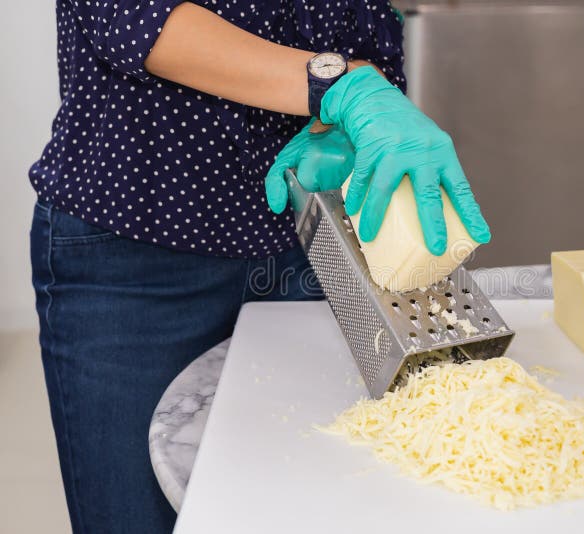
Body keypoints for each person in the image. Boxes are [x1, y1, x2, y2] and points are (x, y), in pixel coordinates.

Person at [28, 2, 490, 533]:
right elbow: (134, 17)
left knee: (317, 507)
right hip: (137, 248)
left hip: (308, 236)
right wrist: (340, 85)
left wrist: (355, 96)